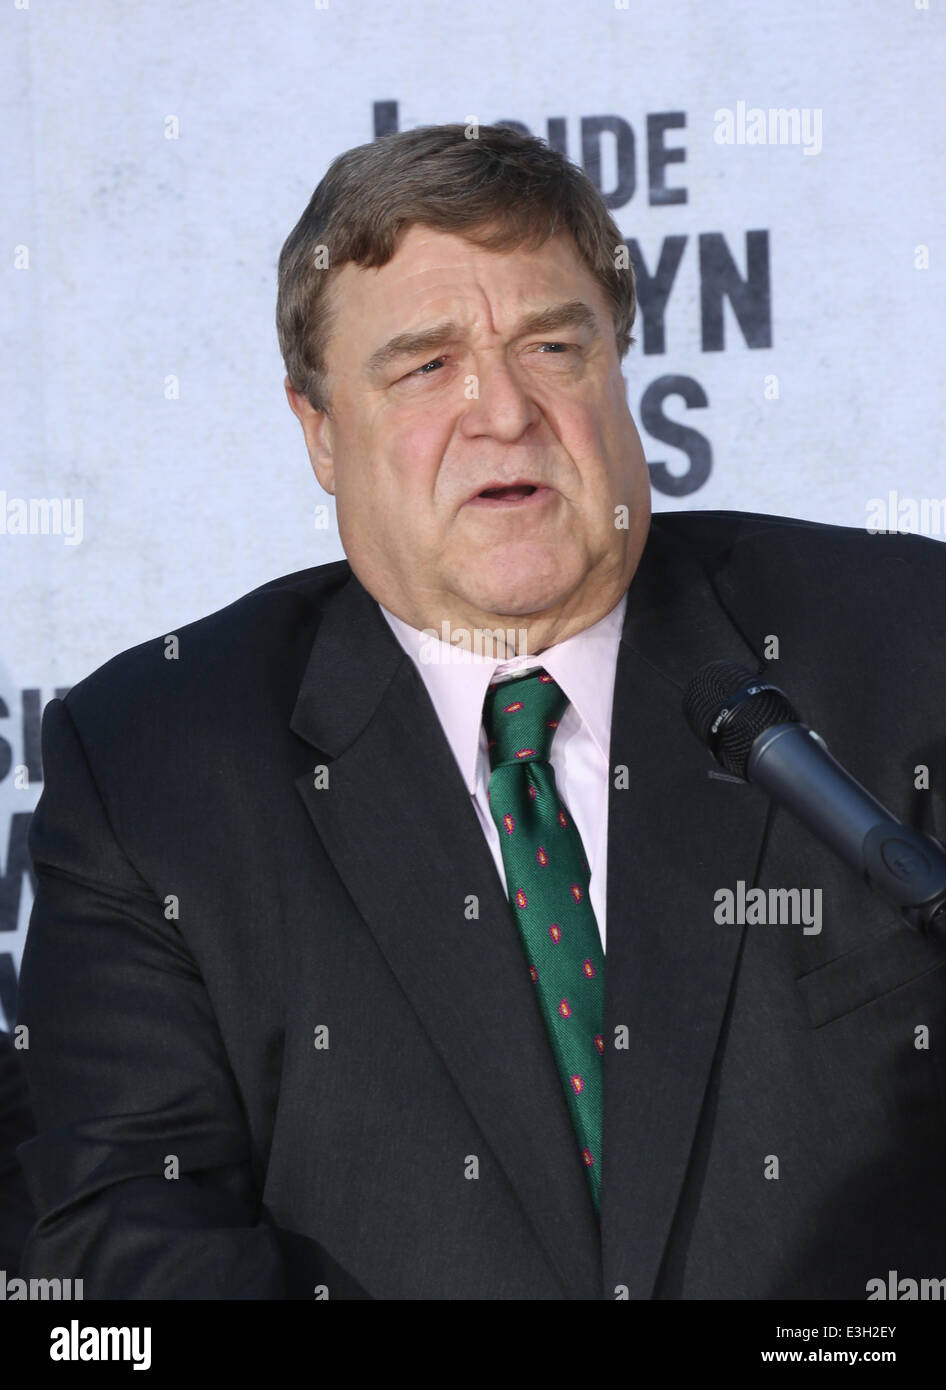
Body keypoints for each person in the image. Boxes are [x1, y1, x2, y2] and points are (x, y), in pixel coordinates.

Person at [16, 123, 946, 1300]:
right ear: (317, 432)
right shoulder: (152, 760)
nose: (502, 411)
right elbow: (125, 1243)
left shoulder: (906, 643)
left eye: (554, 346)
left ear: (620, 370)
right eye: (422, 365)